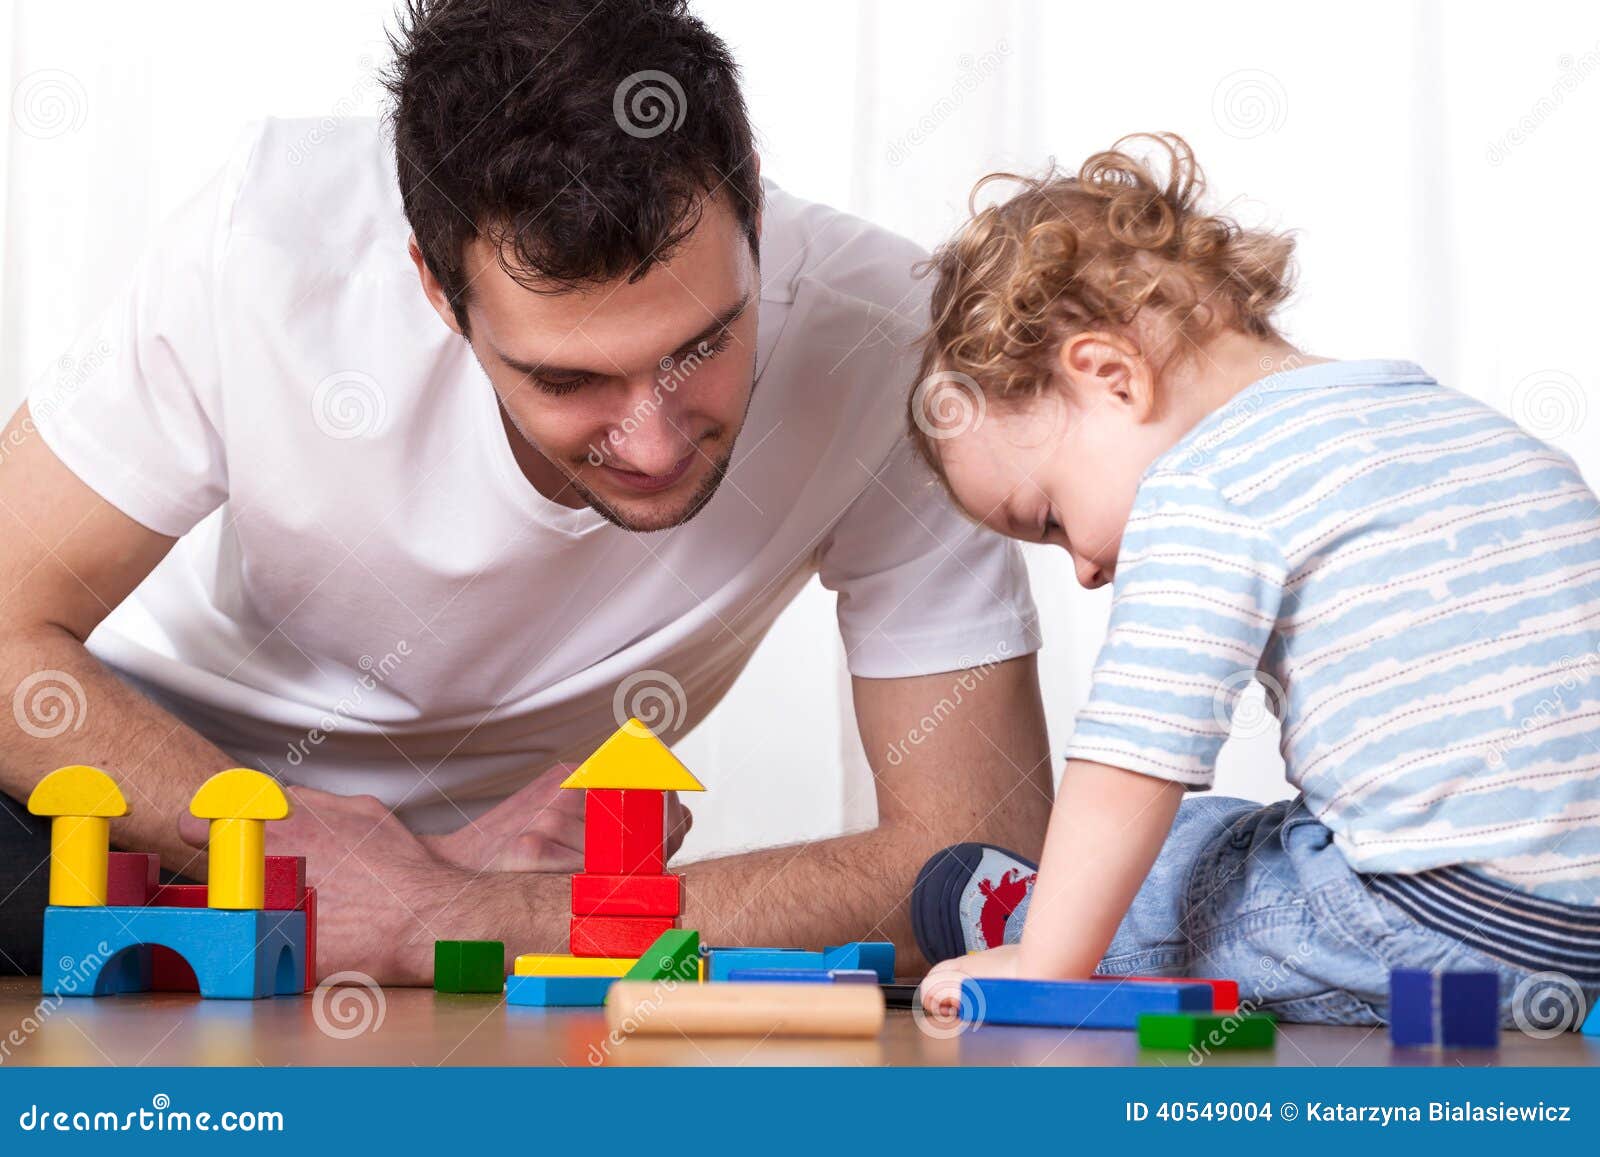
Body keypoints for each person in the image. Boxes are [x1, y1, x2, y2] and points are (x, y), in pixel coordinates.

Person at [0, 0, 1053, 983]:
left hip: (497, 899)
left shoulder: (887, 340)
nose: (651, 442)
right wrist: (302, 848)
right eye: (567, 379)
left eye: (704, 344)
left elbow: (986, 860)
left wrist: (448, 911)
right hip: (156, 815)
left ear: (756, 217)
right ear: (435, 289)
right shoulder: (268, 241)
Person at [909, 133, 1600, 1024]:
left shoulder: (1208, 482)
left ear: (1110, 375)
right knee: (1266, 832)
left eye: (1047, 518)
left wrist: (1043, 965)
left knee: (1190, 862)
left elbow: (1132, 758)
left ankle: (1021, 912)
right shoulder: (1467, 425)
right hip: (1585, 927)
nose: (1083, 569)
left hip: (1446, 932)